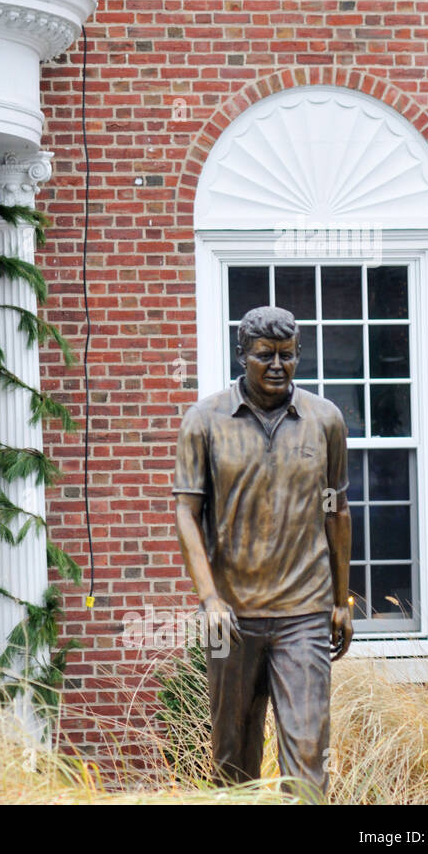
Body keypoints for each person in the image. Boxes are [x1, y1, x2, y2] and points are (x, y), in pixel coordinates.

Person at [172, 305, 353, 802]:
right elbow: (187, 512)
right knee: (232, 759)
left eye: (288, 356)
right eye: (264, 355)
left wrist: (342, 601)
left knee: (308, 756)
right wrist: (208, 598)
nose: (277, 366)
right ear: (242, 356)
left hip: (304, 612)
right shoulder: (204, 420)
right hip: (230, 617)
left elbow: (336, 511)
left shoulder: (325, 420)